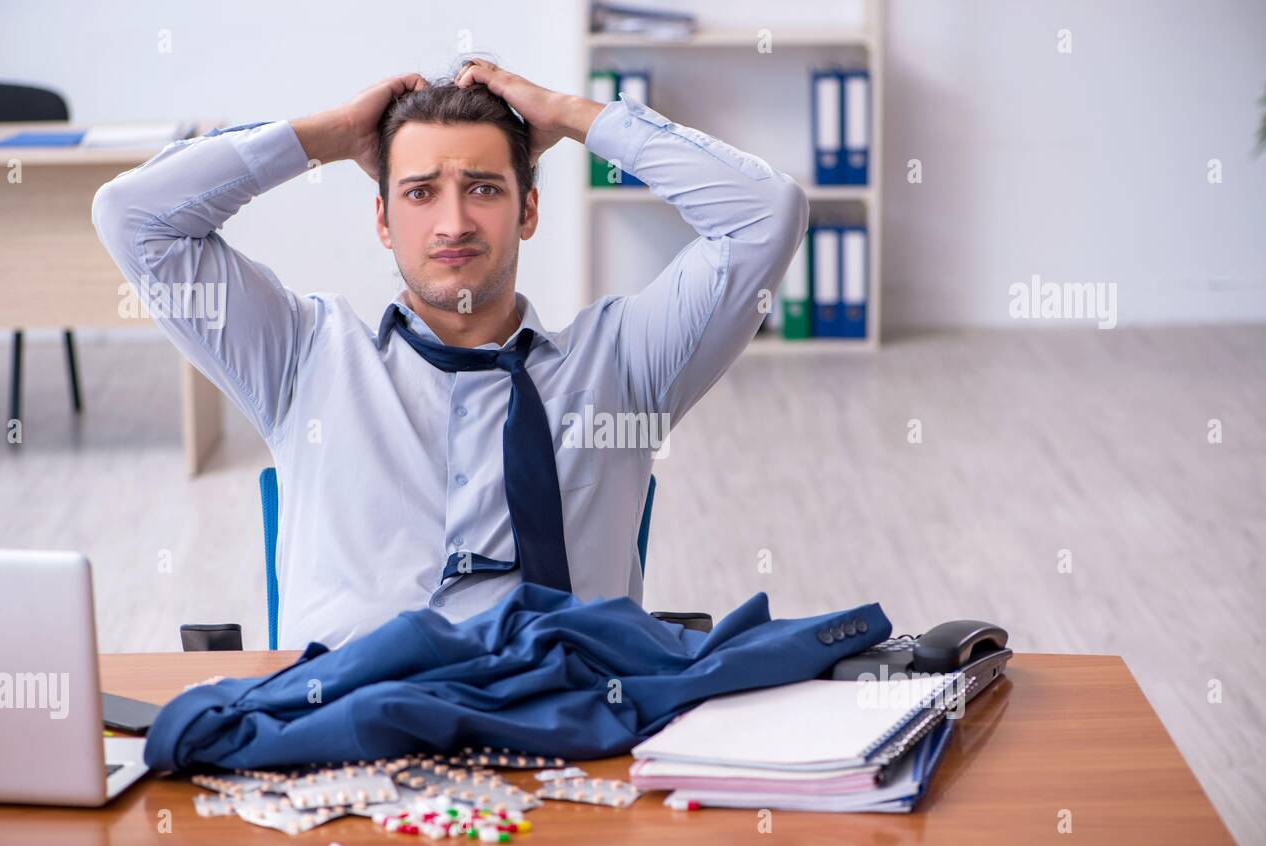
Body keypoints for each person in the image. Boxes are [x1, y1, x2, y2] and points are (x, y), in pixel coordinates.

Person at [92, 59, 809, 650]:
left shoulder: (623, 366)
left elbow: (765, 214)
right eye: (420, 192)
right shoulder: (302, 357)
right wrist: (331, 135)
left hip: (566, 745)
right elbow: (133, 218)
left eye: (485, 189)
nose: (454, 222)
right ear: (382, 218)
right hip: (344, 748)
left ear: (528, 210)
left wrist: (568, 115)